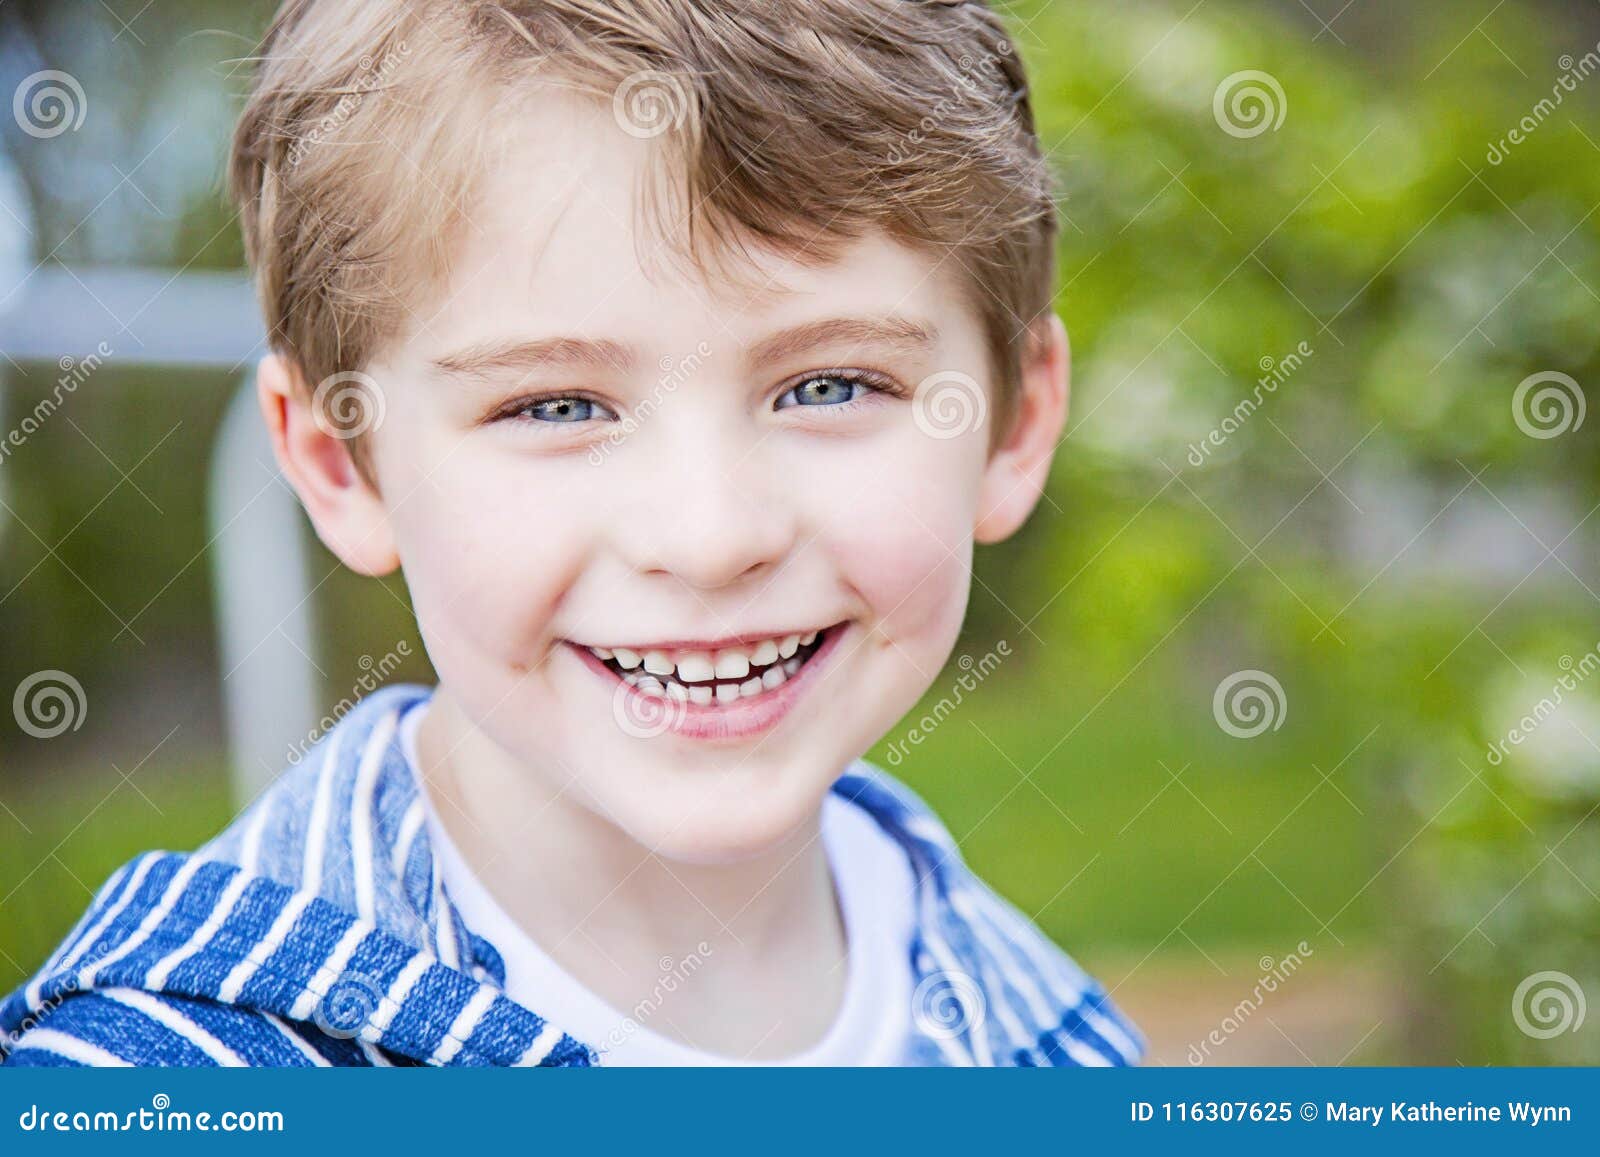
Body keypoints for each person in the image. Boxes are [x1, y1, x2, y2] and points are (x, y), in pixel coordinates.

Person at [1, 0, 1141, 1067]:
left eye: (831, 384)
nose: (708, 538)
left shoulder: (1054, 1037)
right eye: (556, 406)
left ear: (1014, 423)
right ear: (340, 461)